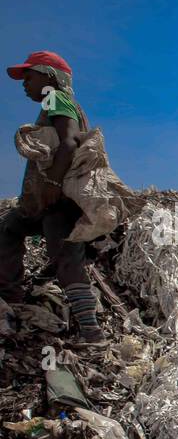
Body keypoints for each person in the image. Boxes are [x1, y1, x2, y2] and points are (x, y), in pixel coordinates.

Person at [0, 51, 105, 344]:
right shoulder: (56, 103)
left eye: (29, 75)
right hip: (48, 198)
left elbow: (69, 141)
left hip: (58, 197)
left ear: (49, 76)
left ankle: (91, 332)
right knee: (9, 227)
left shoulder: (54, 98)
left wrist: (50, 182)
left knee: (66, 257)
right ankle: (12, 297)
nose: (24, 83)